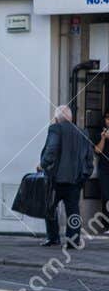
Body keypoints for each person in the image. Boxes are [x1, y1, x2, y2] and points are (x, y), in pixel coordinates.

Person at [40, 105, 95, 248]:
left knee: (50, 207)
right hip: (75, 180)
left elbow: (51, 150)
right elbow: (89, 157)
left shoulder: (55, 128)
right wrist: (85, 175)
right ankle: (73, 240)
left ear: (57, 119)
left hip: (56, 179)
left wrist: (43, 164)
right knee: (73, 211)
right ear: (70, 118)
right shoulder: (82, 132)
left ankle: (53, 237)